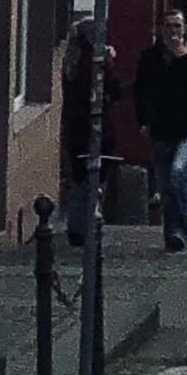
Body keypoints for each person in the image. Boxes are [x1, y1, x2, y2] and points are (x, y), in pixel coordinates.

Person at [132, 7, 187, 253]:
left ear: (185, 28)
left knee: (179, 173)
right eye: (169, 26)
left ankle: (180, 229)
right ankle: (172, 235)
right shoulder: (150, 57)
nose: (173, 31)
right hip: (161, 129)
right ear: (161, 30)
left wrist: (183, 59)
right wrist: (143, 120)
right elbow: (142, 90)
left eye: (177, 26)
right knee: (166, 186)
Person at [59, 21, 111, 240]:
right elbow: (108, 89)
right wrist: (108, 66)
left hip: (74, 128)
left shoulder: (70, 60)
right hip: (93, 127)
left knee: (79, 179)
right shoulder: (92, 61)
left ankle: (76, 225)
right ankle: (87, 226)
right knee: (94, 178)